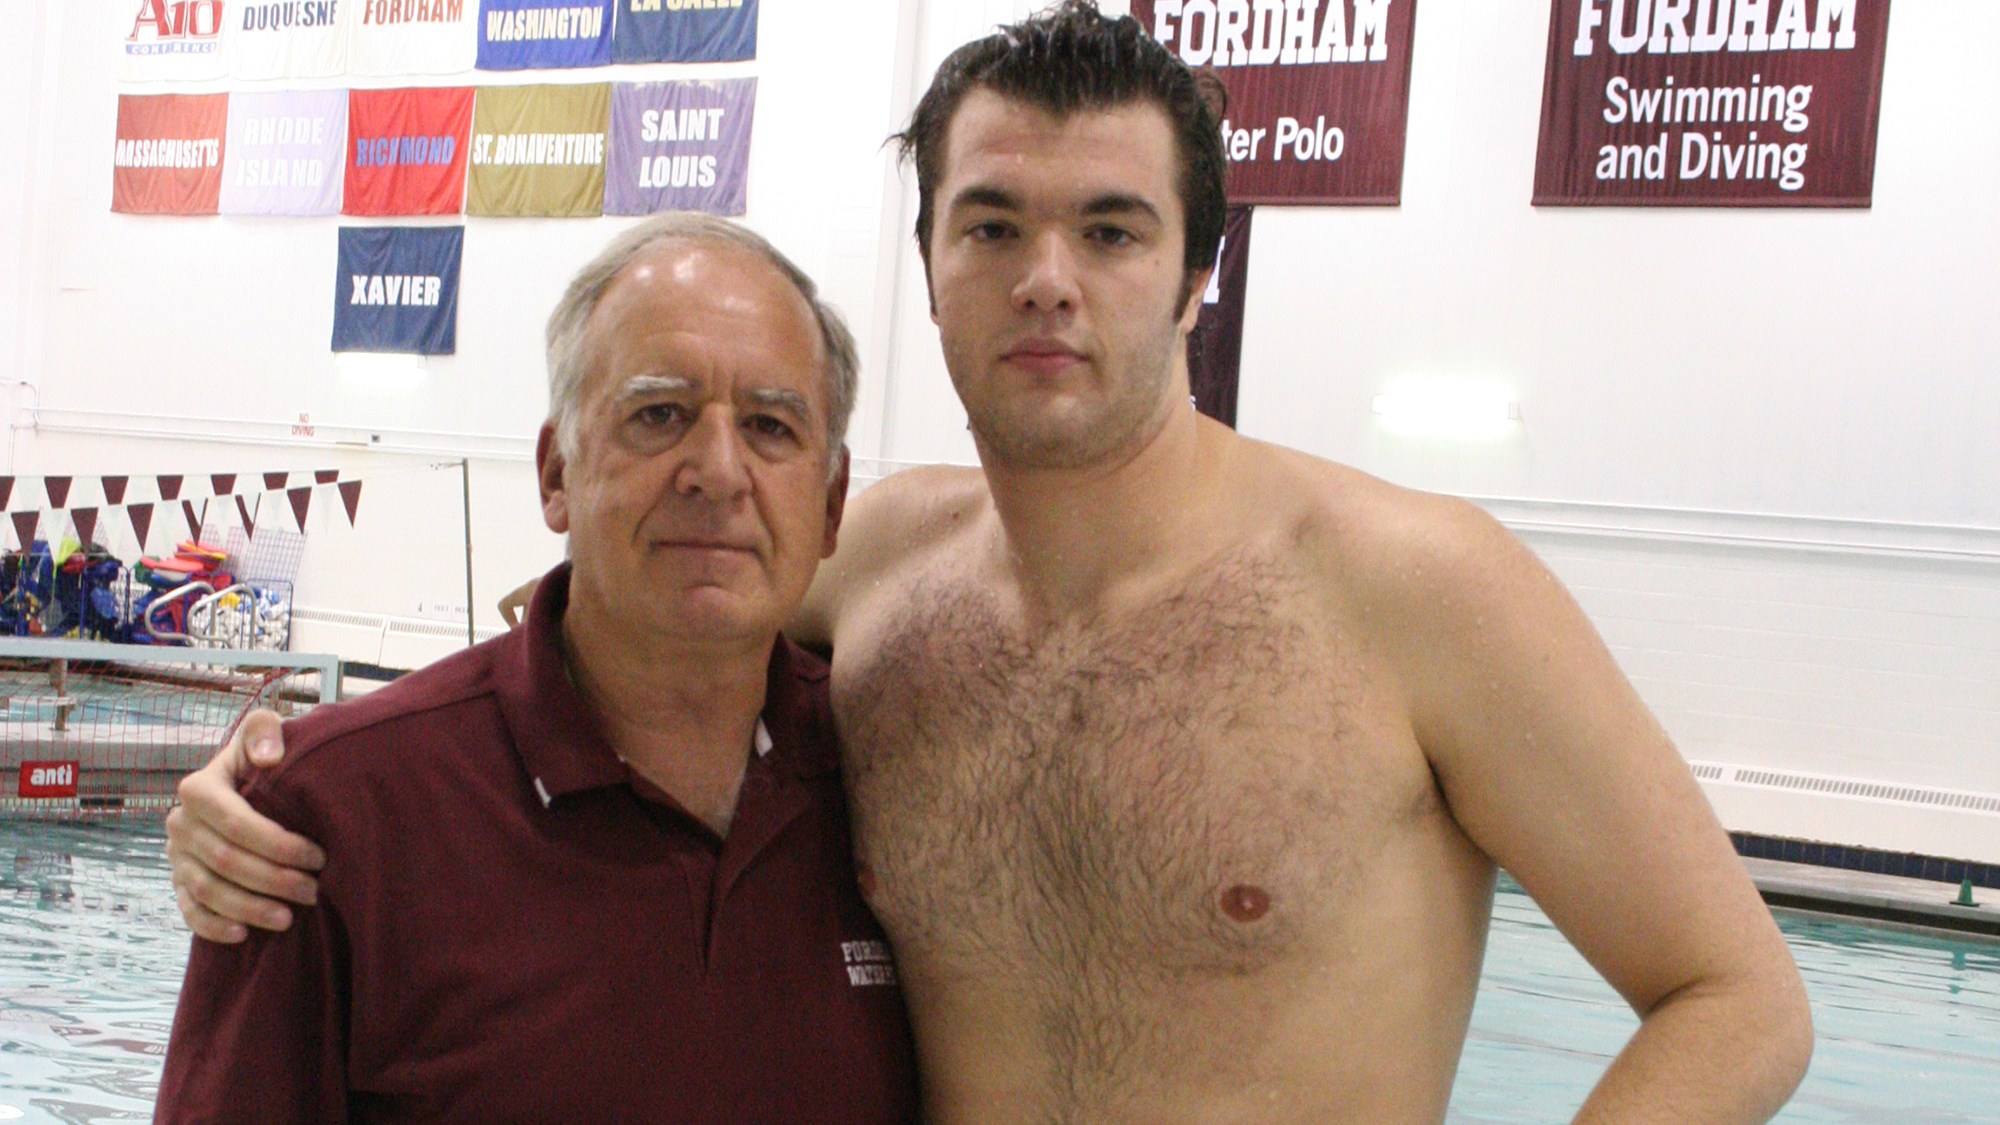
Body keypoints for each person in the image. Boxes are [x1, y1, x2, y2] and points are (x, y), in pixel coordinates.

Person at [167, 4, 1813, 1121]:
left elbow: (1738, 998)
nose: (1047, 279)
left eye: (1112, 230)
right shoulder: (878, 566)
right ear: (933, 266)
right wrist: (268, 775)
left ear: (1197, 280)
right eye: (995, 225)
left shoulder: (1416, 589)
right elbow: (609, 625)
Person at [155, 214, 919, 1122]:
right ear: (557, 473)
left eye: (770, 425)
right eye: (659, 415)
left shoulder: (903, 770)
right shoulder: (330, 820)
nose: (719, 471)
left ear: (831, 505)